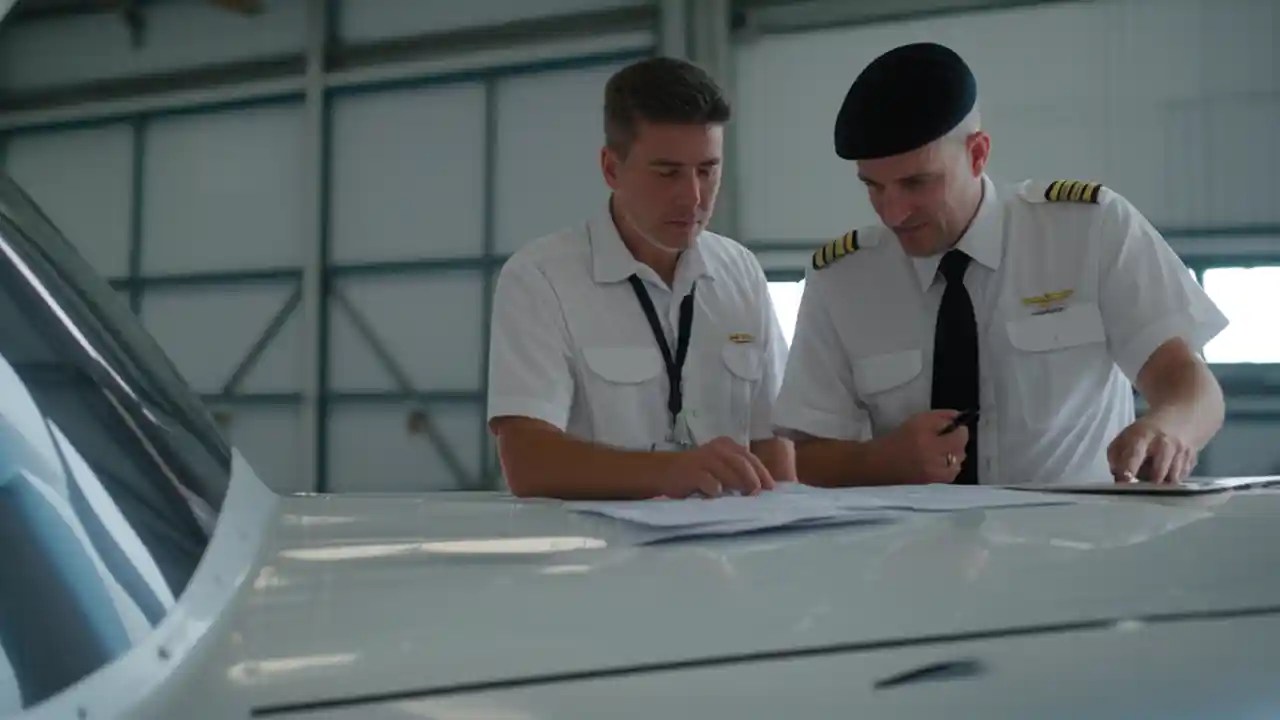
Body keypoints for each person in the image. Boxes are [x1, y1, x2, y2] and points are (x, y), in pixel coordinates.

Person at [772, 42, 1228, 487]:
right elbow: (810, 456)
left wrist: (1169, 428)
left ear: (977, 153)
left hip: (1080, 549)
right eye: (873, 187)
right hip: (911, 556)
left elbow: (1188, 382)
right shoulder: (843, 279)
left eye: (917, 183)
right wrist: (884, 461)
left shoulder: (1088, 231)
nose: (893, 213)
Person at [486, 57, 794, 500]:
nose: (692, 197)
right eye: (667, 173)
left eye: (707, 170)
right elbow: (528, 461)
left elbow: (771, 443)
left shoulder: (740, 271)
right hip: (598, 558)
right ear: (611, 168)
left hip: (731, 556)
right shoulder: (540, 278)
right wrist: (668, 471)